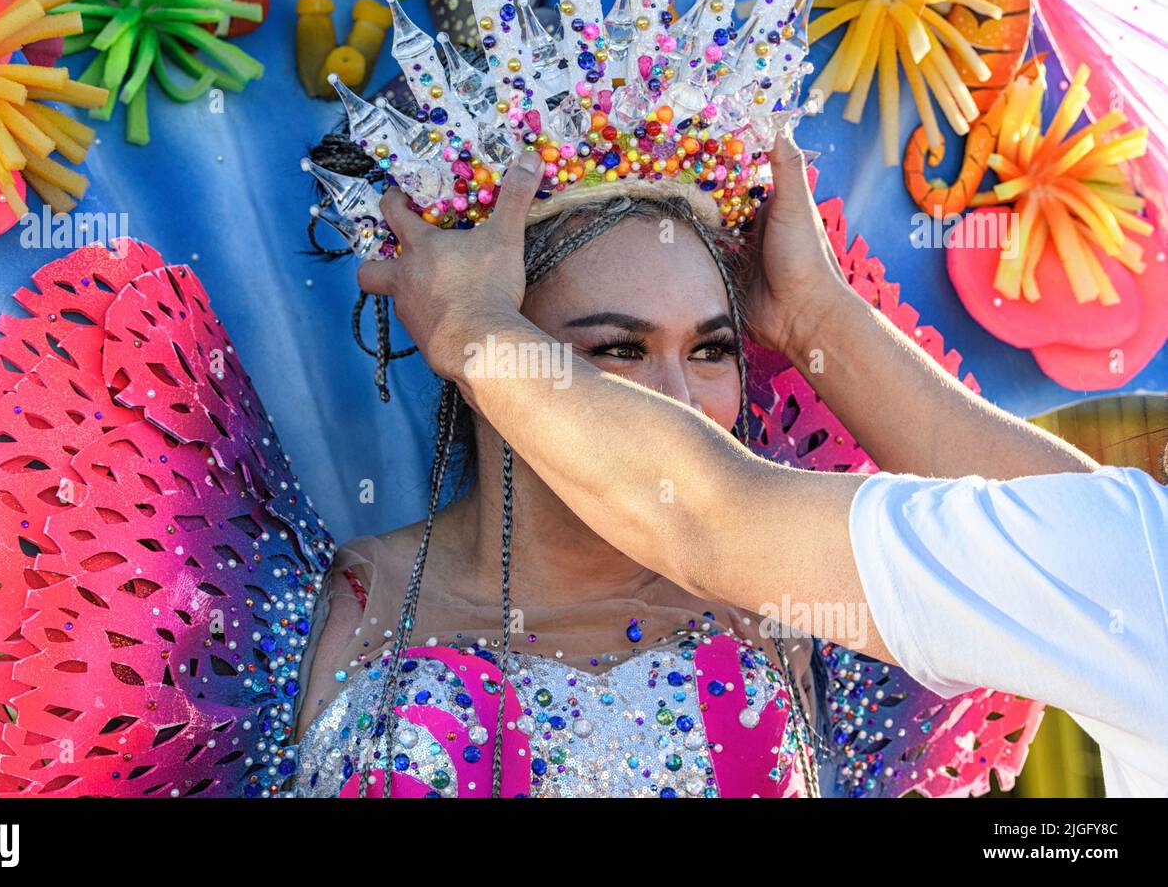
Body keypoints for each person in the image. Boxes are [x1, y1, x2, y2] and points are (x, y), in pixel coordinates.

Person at [353, 138, 1168, 797]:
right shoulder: (332, 599)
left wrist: (473, 330)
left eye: (712, 348)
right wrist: (815, 315)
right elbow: (1095, 542)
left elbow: (705, 516)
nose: (677, 398)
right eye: (616, 349)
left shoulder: (796, 629)